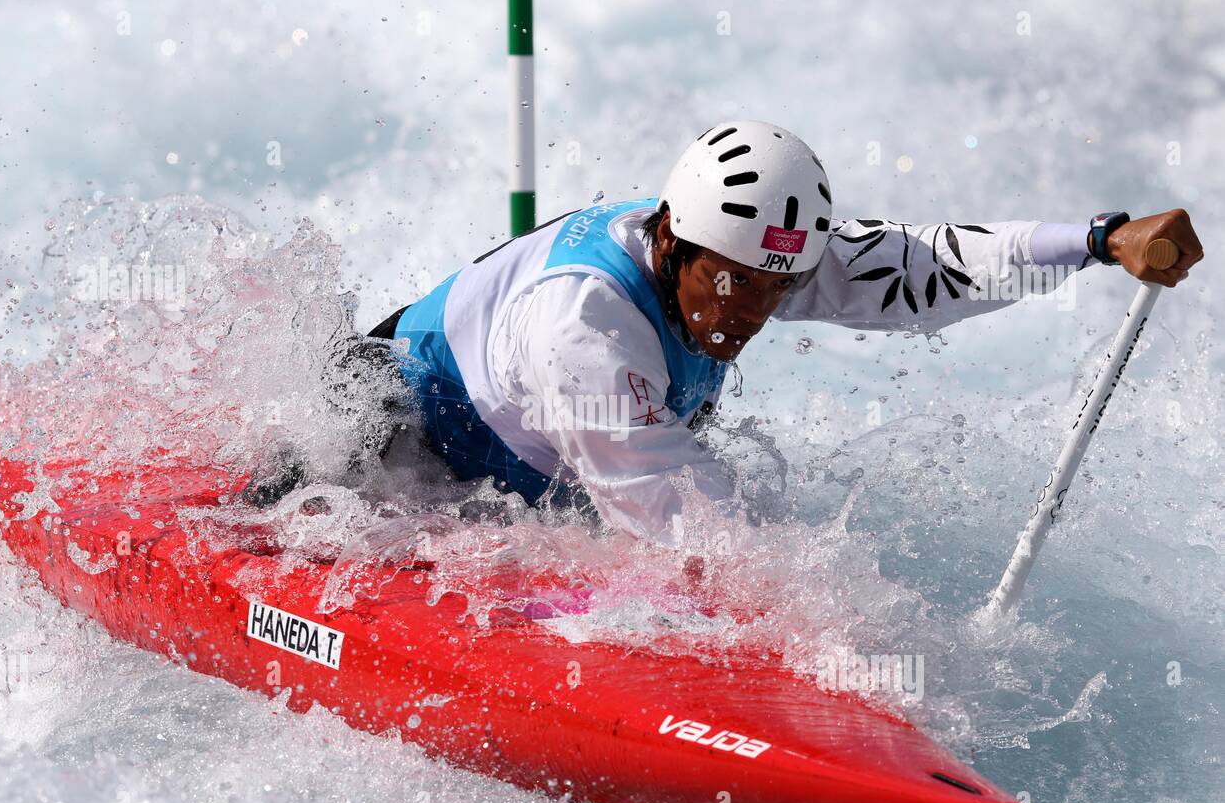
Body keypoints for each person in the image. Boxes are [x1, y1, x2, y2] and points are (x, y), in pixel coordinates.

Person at [246, 120, 1204, 544]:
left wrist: (1097, 239)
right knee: (327, 486)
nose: (748, 314)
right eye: (733, 286)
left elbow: (917, 267)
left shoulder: (752, 250)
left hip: (539, 465)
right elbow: (677, 514)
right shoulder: (586, 328)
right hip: (396, 429)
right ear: (671, 239)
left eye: (774, 289)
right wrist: (813, 627)